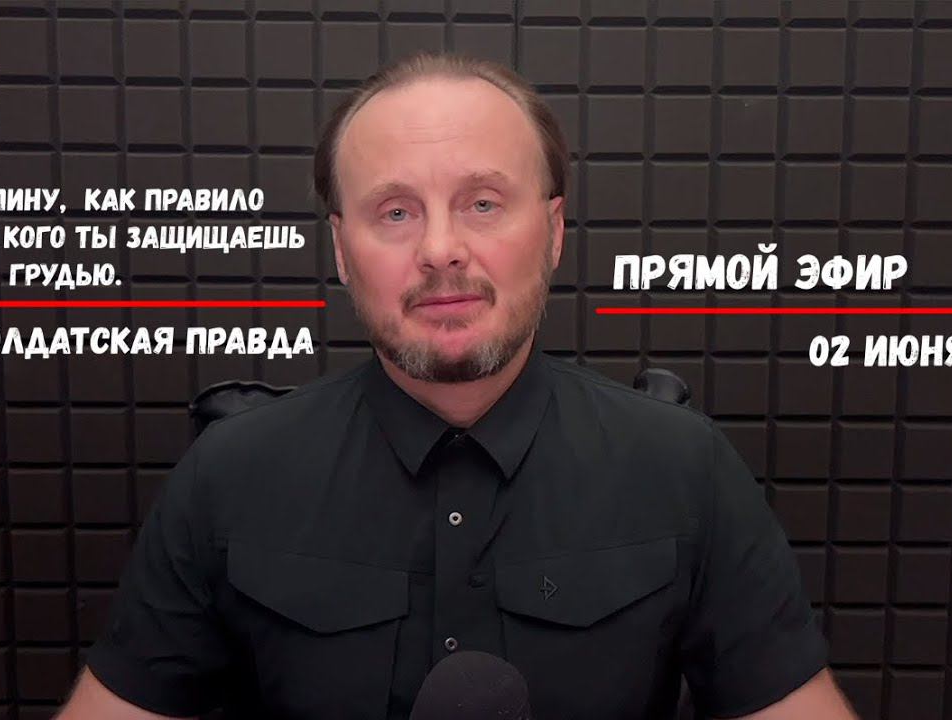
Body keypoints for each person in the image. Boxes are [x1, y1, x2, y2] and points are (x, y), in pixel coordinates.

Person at [57, 52, 858, 720]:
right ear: (341, 250)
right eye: (395, 213)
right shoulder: (230, 476)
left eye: (482, 203)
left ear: (552, 231)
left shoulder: (685, 469)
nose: (441, 248)